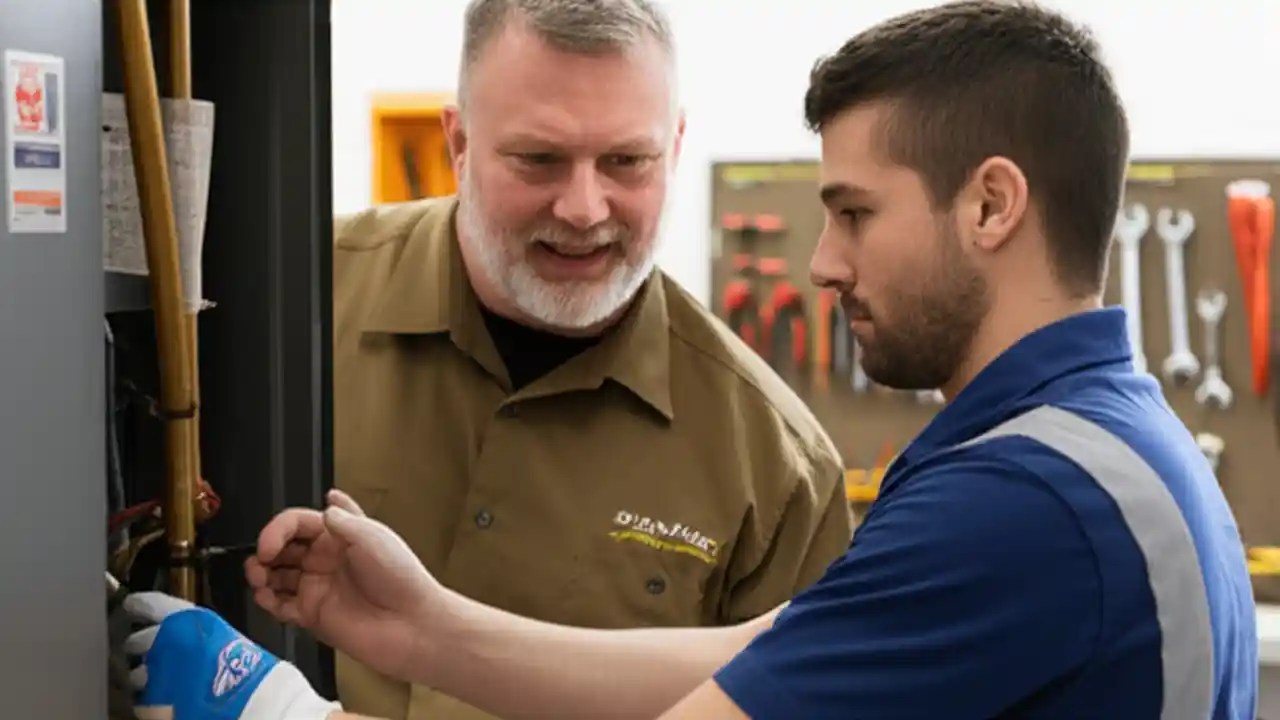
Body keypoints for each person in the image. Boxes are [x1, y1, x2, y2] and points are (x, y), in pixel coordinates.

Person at [122, 1, 1260, 718]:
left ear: (991, 204)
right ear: (461, 141)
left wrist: (283, 714)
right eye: (536, 158)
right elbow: (764, 656)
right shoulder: (1097, 454)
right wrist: (424, 632)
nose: (819, 262)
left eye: (853, 212)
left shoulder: (1014, 506)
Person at [328, 0, 854, 717]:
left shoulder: (779, 472)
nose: (583, 207)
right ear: (458, 141)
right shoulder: (292, 302)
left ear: (673, 147)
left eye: (626, 161)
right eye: (539, 159)